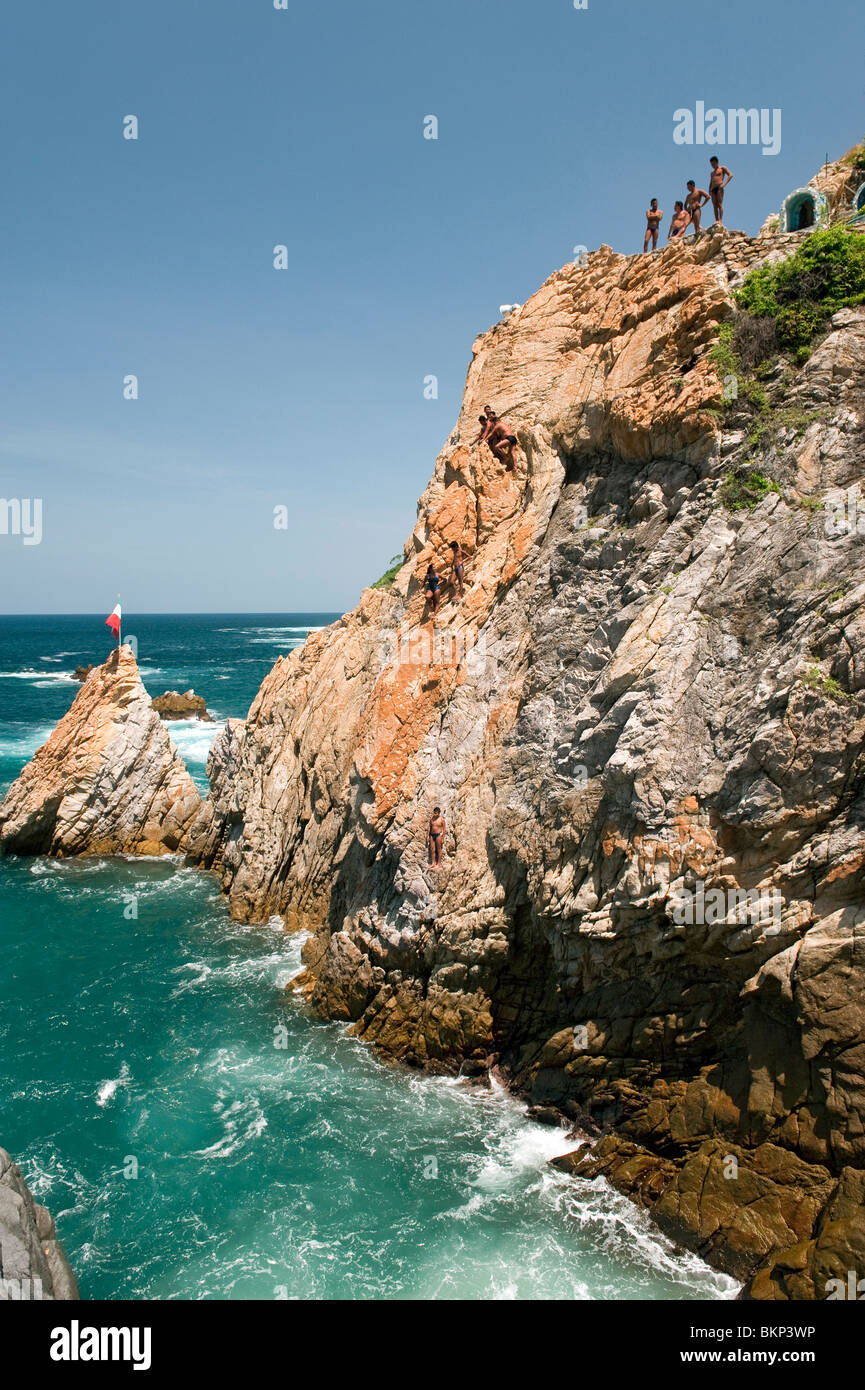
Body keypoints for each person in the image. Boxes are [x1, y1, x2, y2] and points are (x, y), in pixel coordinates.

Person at [708, 157, 733, 225]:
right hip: (713, 189)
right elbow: (711, 182)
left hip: (719, 187)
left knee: (719, 204)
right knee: (714, 205)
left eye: (713, 163)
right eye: (711, 164)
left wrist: (724, 184)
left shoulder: (722, 168)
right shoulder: (712, 173)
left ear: (716, 162)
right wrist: (709, 190)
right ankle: (716, 220)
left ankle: (720, 220)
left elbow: (730, 175)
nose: (712, 165)